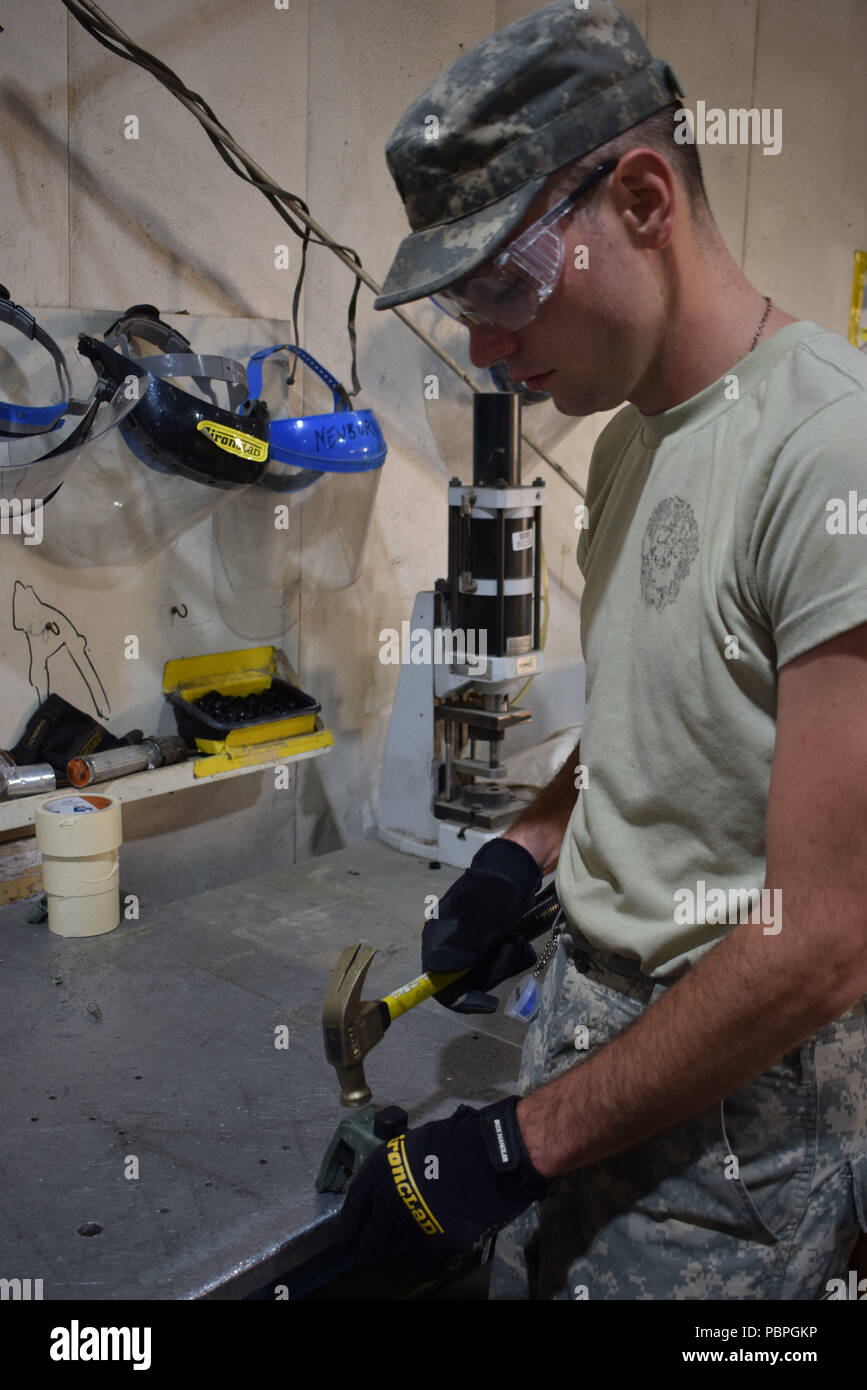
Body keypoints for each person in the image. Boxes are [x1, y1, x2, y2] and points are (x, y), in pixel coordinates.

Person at [341, 0, 867, 1299]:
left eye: (506, 287)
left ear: (643, 200)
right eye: (465, 306)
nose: (488, 346)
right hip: (591, 1048)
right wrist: (526, 848)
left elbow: (829, 930)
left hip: (736, 1137)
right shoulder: (635, 433)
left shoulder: (829, 456)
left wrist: (514, 1144)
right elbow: (663, 708)